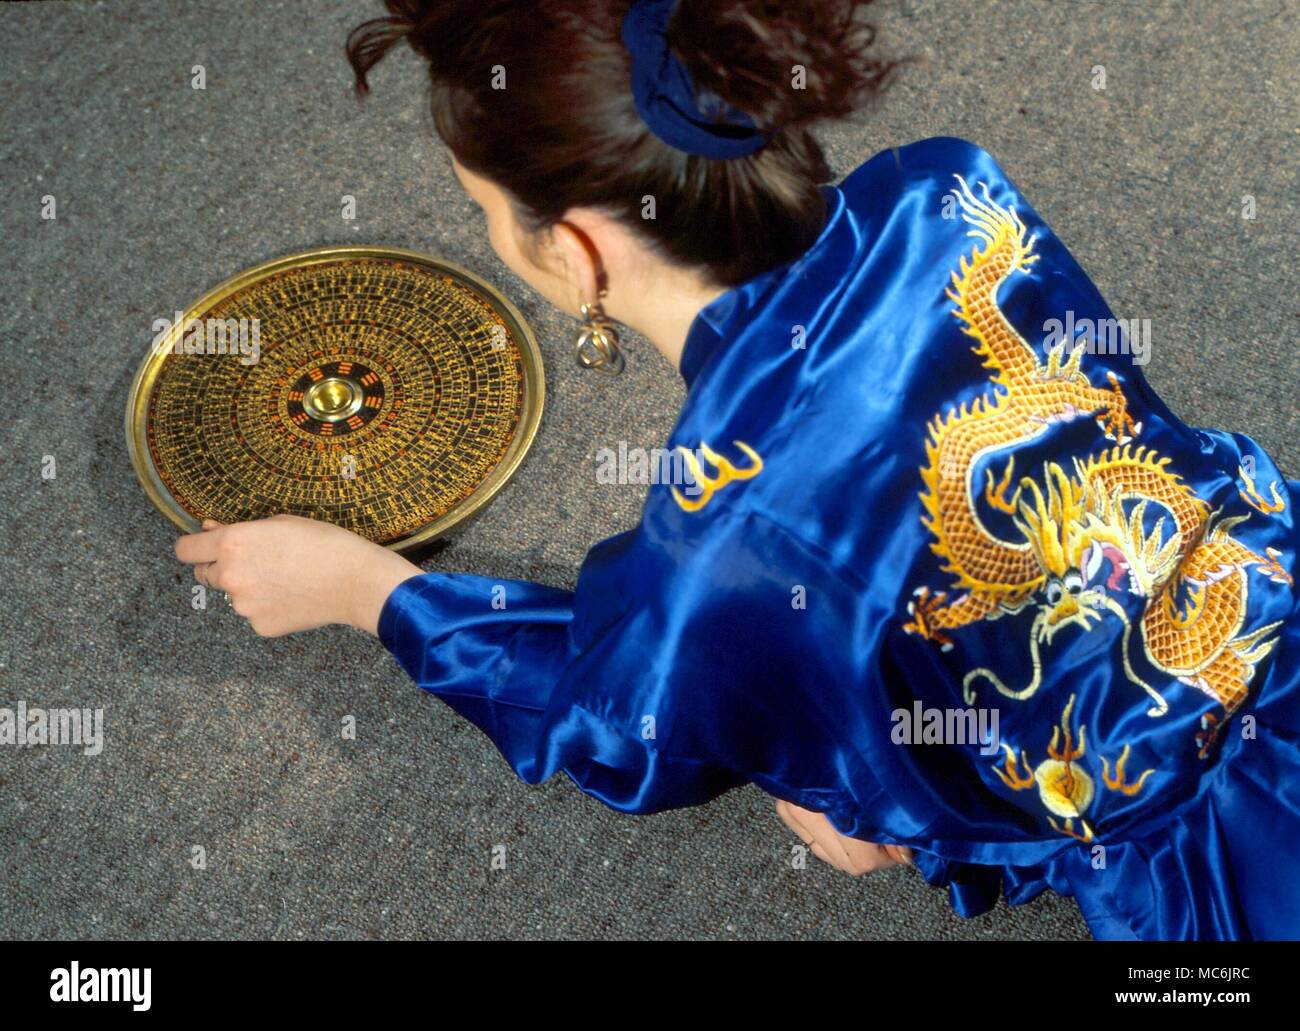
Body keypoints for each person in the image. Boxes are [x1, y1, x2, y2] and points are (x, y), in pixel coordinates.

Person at [174, 0, 1299, 940]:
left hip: (1216, 866)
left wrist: (373, 592)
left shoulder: (716, 550)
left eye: (484, 212)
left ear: (571, 253)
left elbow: (622, 724)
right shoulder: (949, 192)